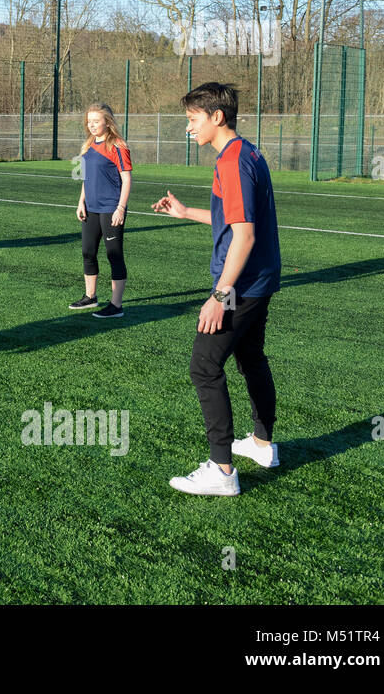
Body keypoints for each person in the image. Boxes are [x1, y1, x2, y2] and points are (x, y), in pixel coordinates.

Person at [152, 82, 281, 497]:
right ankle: (262, 446)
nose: (188, 128)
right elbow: (232, 219)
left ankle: (222, 471)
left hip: (240, 286)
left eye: (192, 120)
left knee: (204, 367)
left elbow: (243, 236)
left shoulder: (232, 162)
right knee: (250, 357)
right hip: (258, 281)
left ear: (216, 117)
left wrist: (219, 297)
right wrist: (186, 211)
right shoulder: (247, 152)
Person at [71, 103, 132, 319]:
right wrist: (81, 202)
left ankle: (116, 305)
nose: (92, 125)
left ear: (107, 122)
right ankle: (90, 297)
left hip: (111, 208)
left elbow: (126, 179)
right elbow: (83, 178)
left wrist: (120, 208)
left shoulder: (118, 145)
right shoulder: (86, 146)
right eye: (89, 121)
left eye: (96, 121)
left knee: (113, 255)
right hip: (90, 209)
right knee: (88, 252)